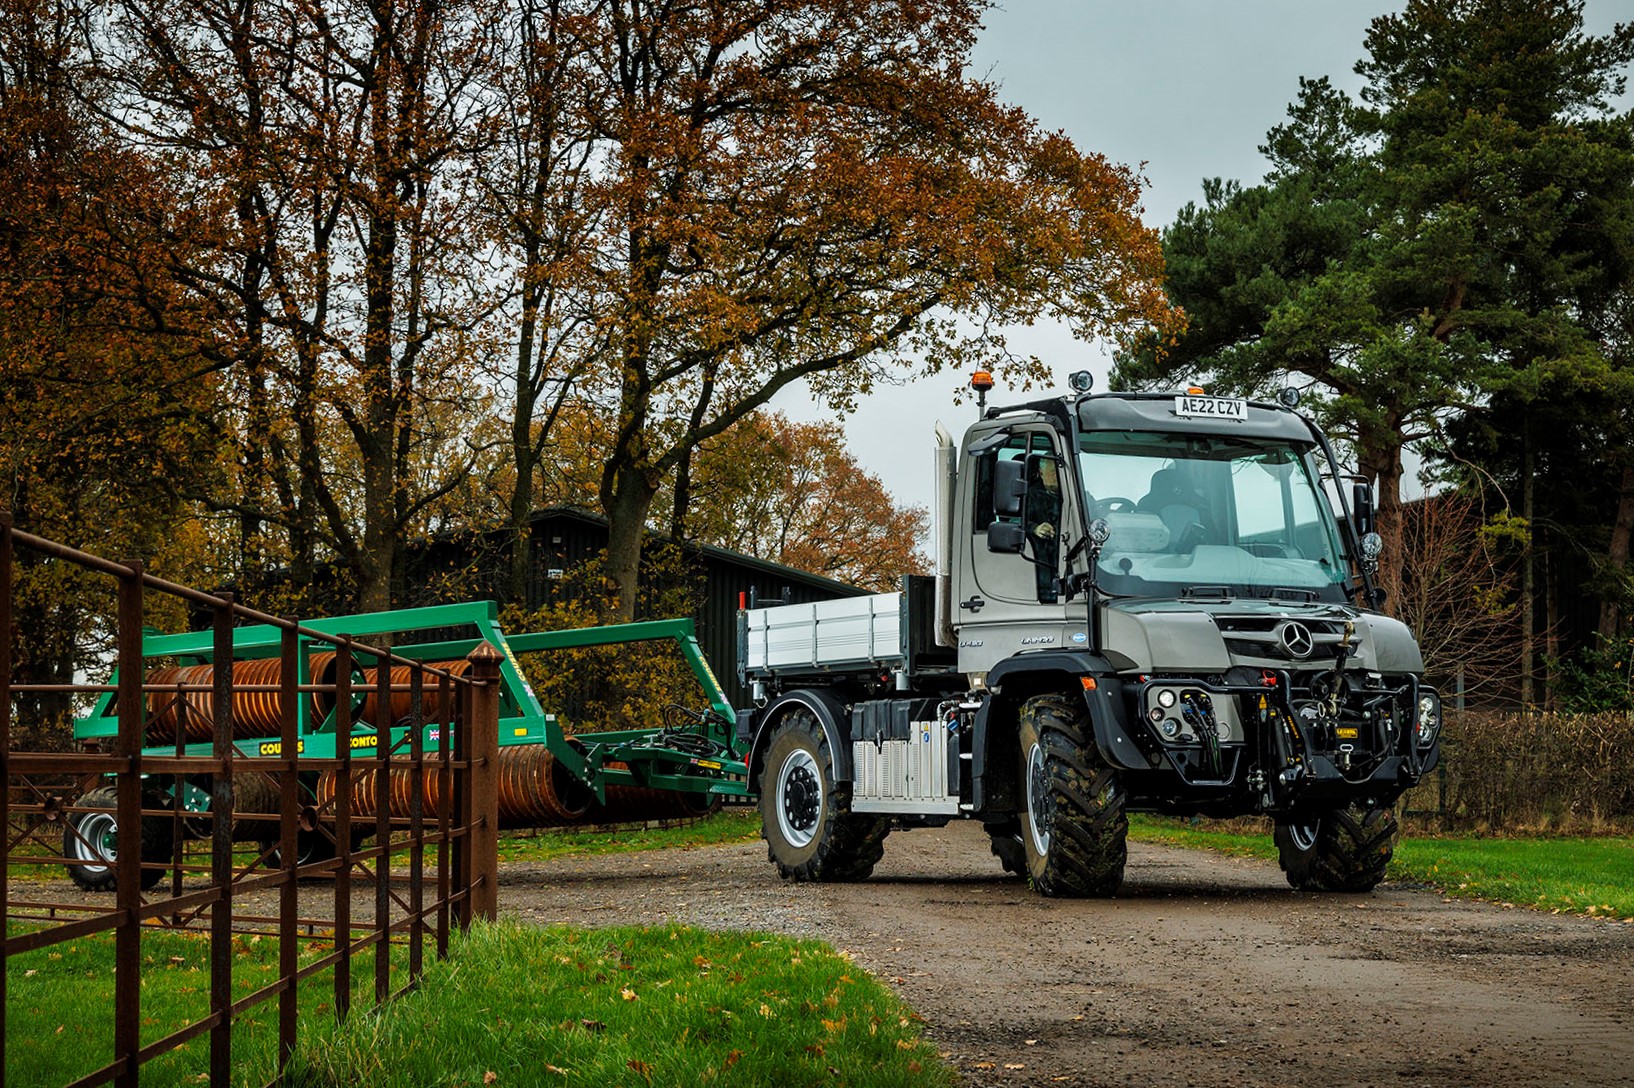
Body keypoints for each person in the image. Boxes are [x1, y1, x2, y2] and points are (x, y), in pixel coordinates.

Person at [1025, 456, 1063, 601]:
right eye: (1052, 471)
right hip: (1039, 569)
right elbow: (1013, 521)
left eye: (1059, 471)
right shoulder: (1029, 496)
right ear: (1041, 473)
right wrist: (1035, 528)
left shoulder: (1077, 496)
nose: (1056, 475)